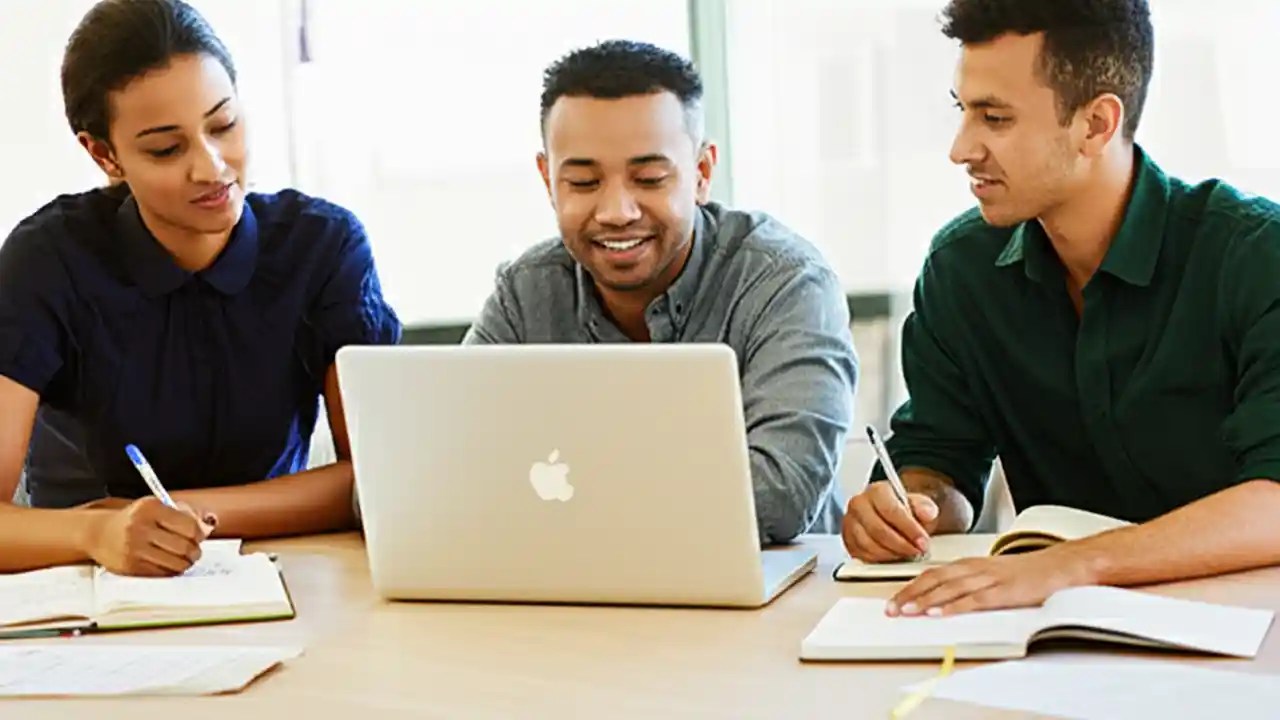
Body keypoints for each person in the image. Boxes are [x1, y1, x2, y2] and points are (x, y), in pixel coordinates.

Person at [841, 0, 1280, 615]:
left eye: (995, 118)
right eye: (962, 111)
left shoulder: (1255, 253)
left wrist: (1075, 566)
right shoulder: (961, 269)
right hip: (1052, 642)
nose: (961, 148)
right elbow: (941, 460)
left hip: (1246, 633)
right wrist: (909, 505)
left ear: (1096, 124)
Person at [0, 0, 400, 575]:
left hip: (278, 570)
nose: (212, 168)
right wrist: (97, 530)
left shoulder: (322, 247)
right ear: (104, 154)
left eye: (224, 125)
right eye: (166, 148)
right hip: (86, 581)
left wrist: (182, 514)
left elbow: (379, 478)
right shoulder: (48, 259)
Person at [463, 40, 858, 545]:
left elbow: (779, 495)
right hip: (573, 595)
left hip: (770, 602)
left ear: (701, 173)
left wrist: (551, 506)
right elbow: (446, 471)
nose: (616, 211)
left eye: (649, 178)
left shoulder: (785, 281)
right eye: (583, 183)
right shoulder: (527, 292)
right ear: (548, 180)